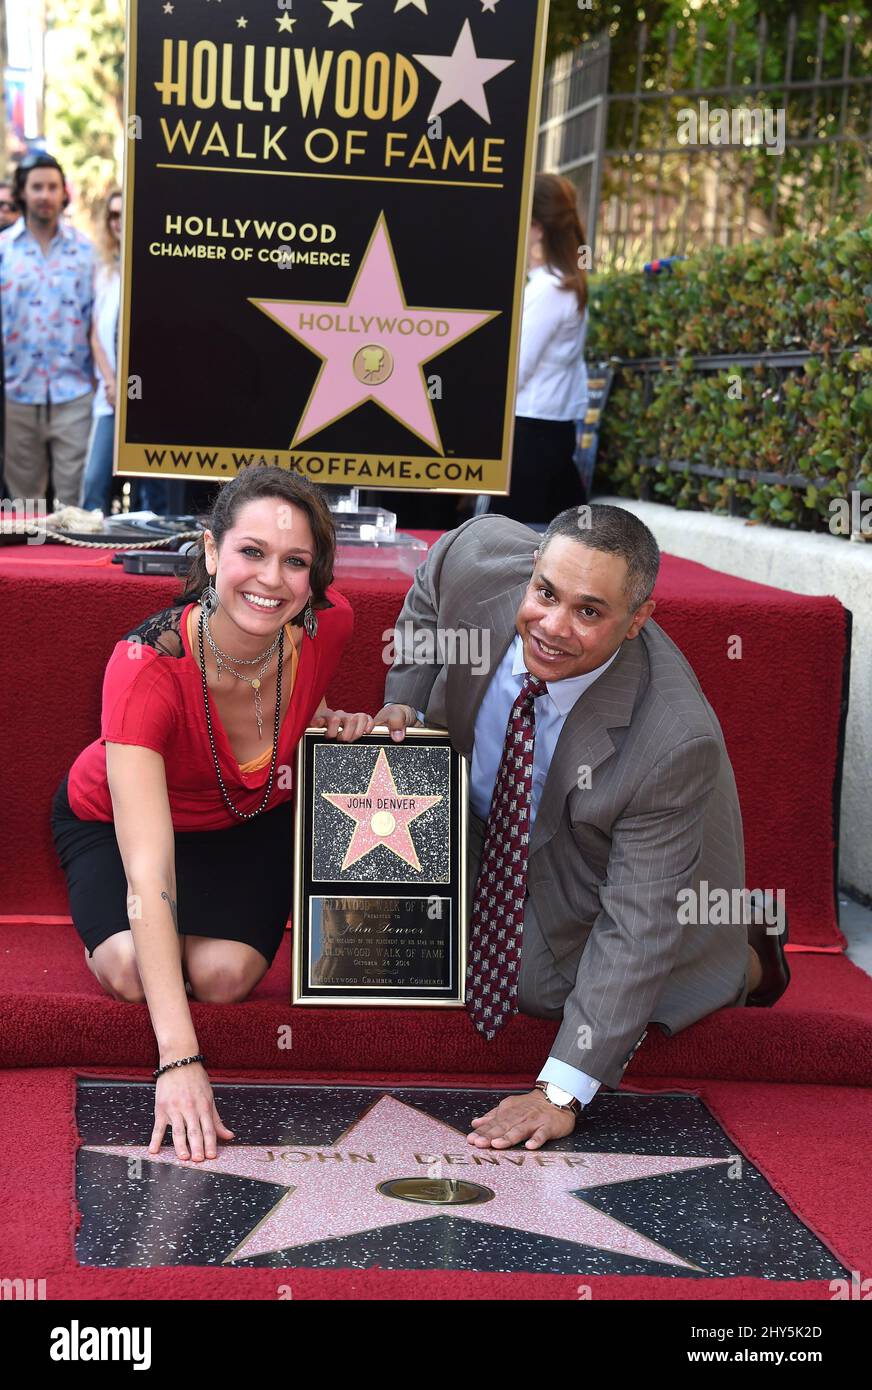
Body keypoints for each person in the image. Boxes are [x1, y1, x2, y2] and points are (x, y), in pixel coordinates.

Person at [374, 506, 790, 1150]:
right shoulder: (477, 559)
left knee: (537, 987)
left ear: (637, 620)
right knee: (413, 938)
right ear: (533, 572)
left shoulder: (674, 739)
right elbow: (430, 583)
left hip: (591, 848)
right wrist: (407, 698)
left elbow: (636, 921)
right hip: (485, 824)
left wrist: (563, 1091)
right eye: (545, 594)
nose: (553, 627)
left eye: (590, 613)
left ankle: (738, 954)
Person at [50, 466, 374, 1164]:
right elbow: (148, 869)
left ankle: (183, 939)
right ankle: (113, 936)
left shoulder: (331, 624)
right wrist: (178, 1060)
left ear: (316, 576)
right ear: (209, 553)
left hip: (245, 816)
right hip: (119, 825)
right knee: (133, 972)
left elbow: (293, 694)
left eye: (296, 562)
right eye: (251, 552)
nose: (272, 579)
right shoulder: (143, 666)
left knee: (226, 981)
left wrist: (324, 719)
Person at [483, 173, 589, 526]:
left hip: (533, 432)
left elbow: (515, 368)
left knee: (505, 542)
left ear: (539, 228)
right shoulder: (555, 284)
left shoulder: (552, 289)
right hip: (541, 430)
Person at [0, 152, 95, 507]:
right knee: (26, 508)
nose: (45, 195)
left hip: (75, 395)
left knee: (76, 505)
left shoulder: (86, 251)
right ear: (22, 192)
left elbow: (97, 321)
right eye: (37, 186)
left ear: (62, 193)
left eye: (52, 187)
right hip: (17, 394)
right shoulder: (4, 250)